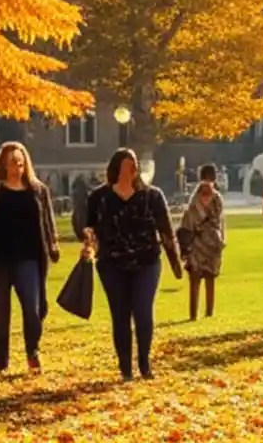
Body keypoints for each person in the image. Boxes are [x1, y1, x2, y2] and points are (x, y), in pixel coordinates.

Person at [84, 148, 179, 381]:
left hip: (146, 261)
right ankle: (125, 367)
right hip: (112, 264)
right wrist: (88, 241)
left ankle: (145, 364)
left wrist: (176, 262)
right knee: (120, 314)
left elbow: (166, 232)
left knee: (143, 312)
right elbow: (88, 227)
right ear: (117, 168)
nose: (133, 169)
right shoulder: (100, 198)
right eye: (128, 165)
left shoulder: (152, 196)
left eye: (135, 165)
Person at [0, 142, 60, 375]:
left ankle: (33, 352)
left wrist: (53, 244)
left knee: (33, 308)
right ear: (3, 164)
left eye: (20, 162)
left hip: (28, 258)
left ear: (25, 163)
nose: (16, 167)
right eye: (11, 163)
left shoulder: (38, 190)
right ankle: (1, 363)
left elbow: (48, 221)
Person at [179, 180, 225, 321]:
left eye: (209, 195)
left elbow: (221, 226)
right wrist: (185, 250)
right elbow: (185, 229)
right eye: (204, 195)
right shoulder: (191, 210)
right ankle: (193, 314)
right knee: (195, 279)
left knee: (210, 278)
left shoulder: (217, 207)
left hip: (212, 247)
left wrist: (221, 241)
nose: (206, 198)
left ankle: (209, 312)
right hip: (196, 247)